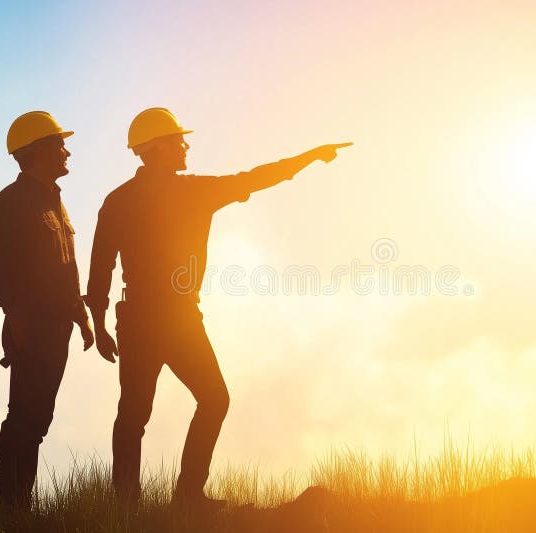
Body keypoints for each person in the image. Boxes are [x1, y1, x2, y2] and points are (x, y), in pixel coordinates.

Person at [84, 107, 351, 511]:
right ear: (157, 148)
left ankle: (130, 503)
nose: (186, 145)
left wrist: (101, 325)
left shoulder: (119, 201)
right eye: (178, 140)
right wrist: (310, 157)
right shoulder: (194, 192)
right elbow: (256, 179)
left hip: (141, 321)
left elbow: (100, 269)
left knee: (136, 414)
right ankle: (186, 496)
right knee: (207, 400)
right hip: (174, 320)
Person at [0, 111, 95, 511]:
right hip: (33, 332)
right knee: (24, 421)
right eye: (59, 144)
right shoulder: (11, 203)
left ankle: (17, 509)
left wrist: (81, 318)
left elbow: (66, 271)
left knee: (36, 422)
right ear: (38, 151)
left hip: (56, 330)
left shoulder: (54, 201)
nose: (67, 151)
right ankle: (12, 512)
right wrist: (19, 318)